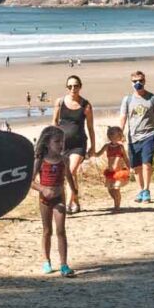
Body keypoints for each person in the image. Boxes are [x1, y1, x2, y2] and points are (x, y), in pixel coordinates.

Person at [31, 125, 77, 276]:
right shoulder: (40, 159)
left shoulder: (64, 159)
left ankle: (64, 264)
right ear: (47, 143)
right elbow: (30, 181)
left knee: (61, 230)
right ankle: (46, 261)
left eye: (62, 141)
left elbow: (69, 176)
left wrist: (74, 191)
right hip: (44, 199)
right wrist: (42, 189)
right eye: (57, 141)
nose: (61, 145)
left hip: (59, 198)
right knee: (47, 231)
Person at [118, 71, 154, 204]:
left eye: (140, 80)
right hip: (133, 137)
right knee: (136, 167)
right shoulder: (127, 100)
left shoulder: (153, 98)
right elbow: (123, 118)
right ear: (131, 83)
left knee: (147, 163)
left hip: (149, 135)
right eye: (134, 81)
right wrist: (119, 134)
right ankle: (140, 189)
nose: (137, 83)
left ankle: (146, 189)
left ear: (145, 81)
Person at [52, 74, 95, 214]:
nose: (73, 88)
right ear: (67, 87)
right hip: (63, 145)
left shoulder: (86, 105)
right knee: (72, 174)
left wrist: (93, 146)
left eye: (76, 85)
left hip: (79, 144)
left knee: (70, 172)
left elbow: (90, 127)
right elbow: (54, 123)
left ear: (80, 87)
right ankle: (76, 202)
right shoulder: (59, 102)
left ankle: (67, 206)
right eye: (70, 86)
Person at [98, 125, 129, 213]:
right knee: (109, 189)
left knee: (116, 188)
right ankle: (116, 200)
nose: (114, 138)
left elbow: (126, 159)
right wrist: (91, 153)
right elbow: (98, 154)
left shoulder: (121, 147)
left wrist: (129, 168)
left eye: (117, 136)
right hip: (110, 172)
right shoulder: (107, 146)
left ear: (120, 136)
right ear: (109, 136)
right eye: (112, 136)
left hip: (119, 172)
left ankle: (117, 206)